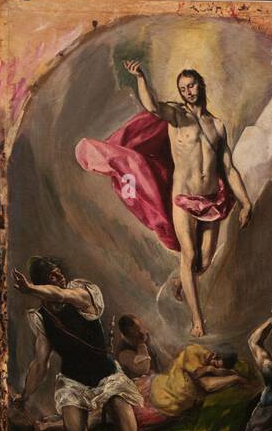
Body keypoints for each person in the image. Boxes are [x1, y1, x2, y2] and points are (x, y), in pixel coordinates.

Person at [78, 62, 252, 338]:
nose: (188, 92)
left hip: (212, 199)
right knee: (190, 254)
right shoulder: (177, 116)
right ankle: (197, 320)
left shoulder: (217, 125)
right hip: (183, 197)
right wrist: (141, 78)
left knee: (205, 261)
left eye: (192, 86)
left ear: (201, 85)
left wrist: (245, 201)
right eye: (183, 88)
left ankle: (177, 280)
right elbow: (153, 107)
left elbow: (228, 168)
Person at [12, 258, 159, 431]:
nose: (59, 278)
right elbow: (40, 363)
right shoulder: (41, 319)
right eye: (52, 276)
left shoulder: (82, 295)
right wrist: (25, 395)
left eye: (59, 274)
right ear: (42, 282)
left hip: (106, 377)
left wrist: (31, 289)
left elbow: (59, 295)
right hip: (74, 383)